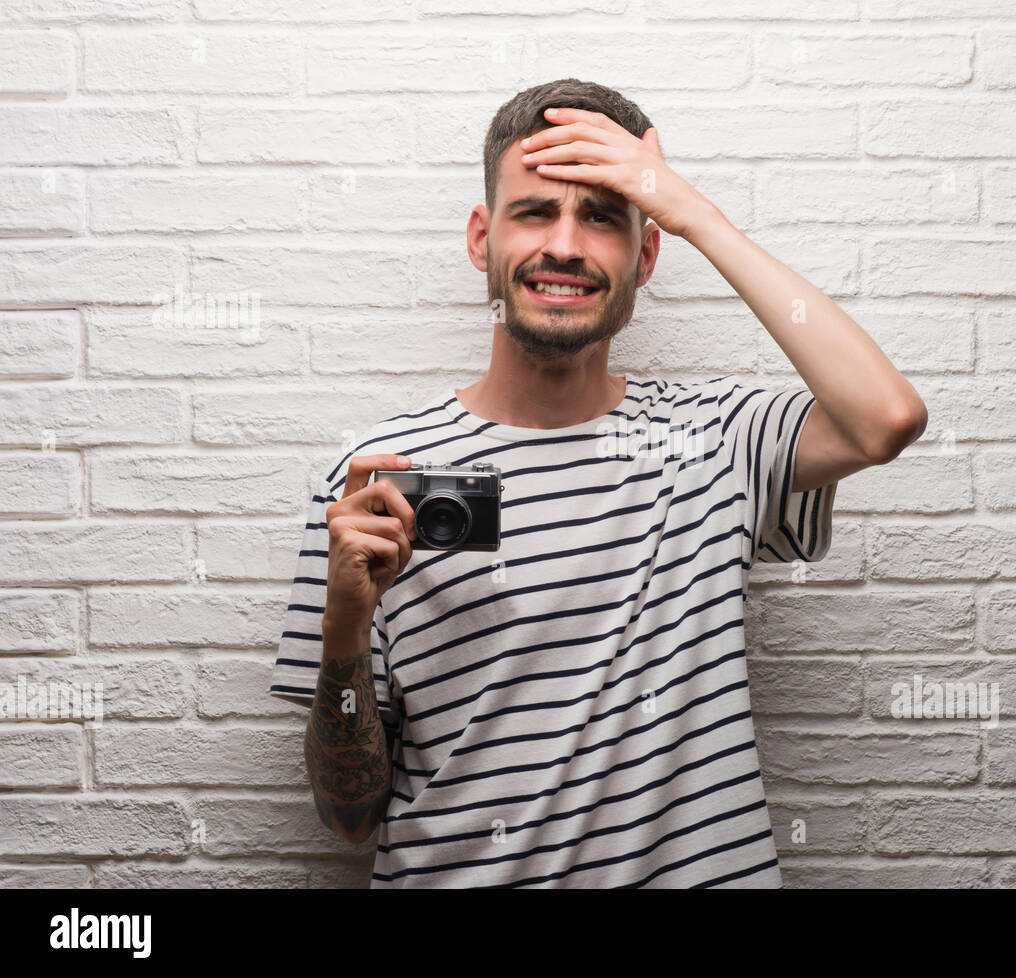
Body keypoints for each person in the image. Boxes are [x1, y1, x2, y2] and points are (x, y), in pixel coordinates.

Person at [268, 78, 927, 888]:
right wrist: (343, 628)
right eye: (535, 212)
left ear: (647, 255)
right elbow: (348, 816)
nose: (567, 247)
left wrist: (691, 212)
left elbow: (886, 417)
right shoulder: (377, 477)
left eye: (605, 217)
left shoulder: (715, 438)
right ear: (483, 240)